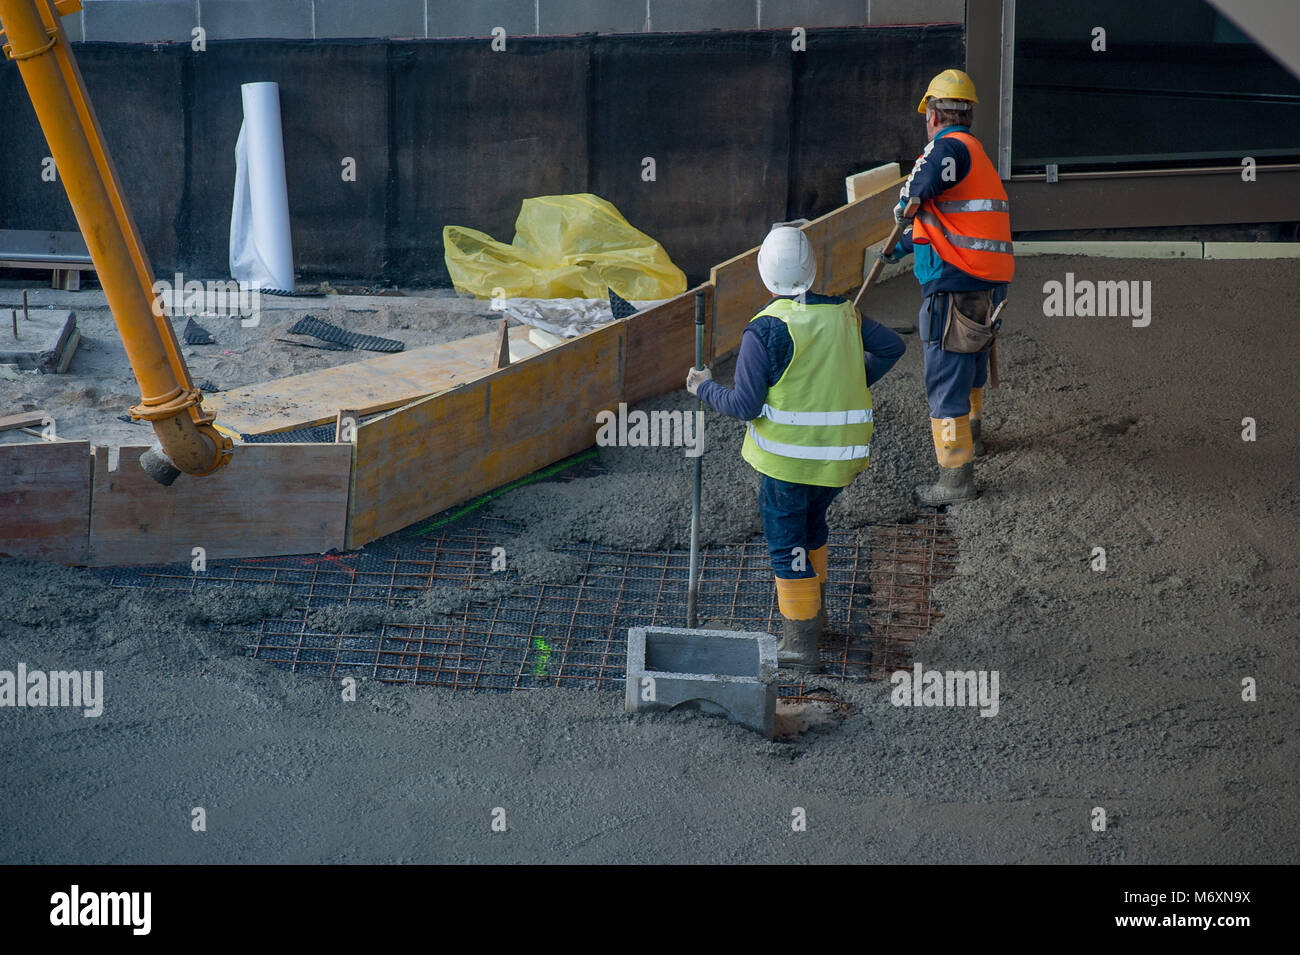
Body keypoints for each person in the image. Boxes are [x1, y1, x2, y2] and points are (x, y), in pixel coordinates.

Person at [686, 227, 905, 672]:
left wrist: (705, 388)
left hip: (788, 465)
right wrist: (851, 382)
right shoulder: (846, 313)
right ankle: (816, 616)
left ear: (765, 277)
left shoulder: (764, 331)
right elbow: (893, 346)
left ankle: (801, 644)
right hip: (838, 463)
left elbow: (746, 405)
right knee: (812, 527)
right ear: (812, 270)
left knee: (787, 545)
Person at [882, 68, 1014, 505]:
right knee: (970, 363)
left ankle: (956, 481)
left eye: (928, 116)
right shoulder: (977, 153)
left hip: (955, 286)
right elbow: (942, 221)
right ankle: (975, 440)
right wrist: (901, 247)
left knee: (945, 378)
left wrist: (903, 203)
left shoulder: (948, 149)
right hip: (982, 282)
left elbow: (919, 194)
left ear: (935, 115)